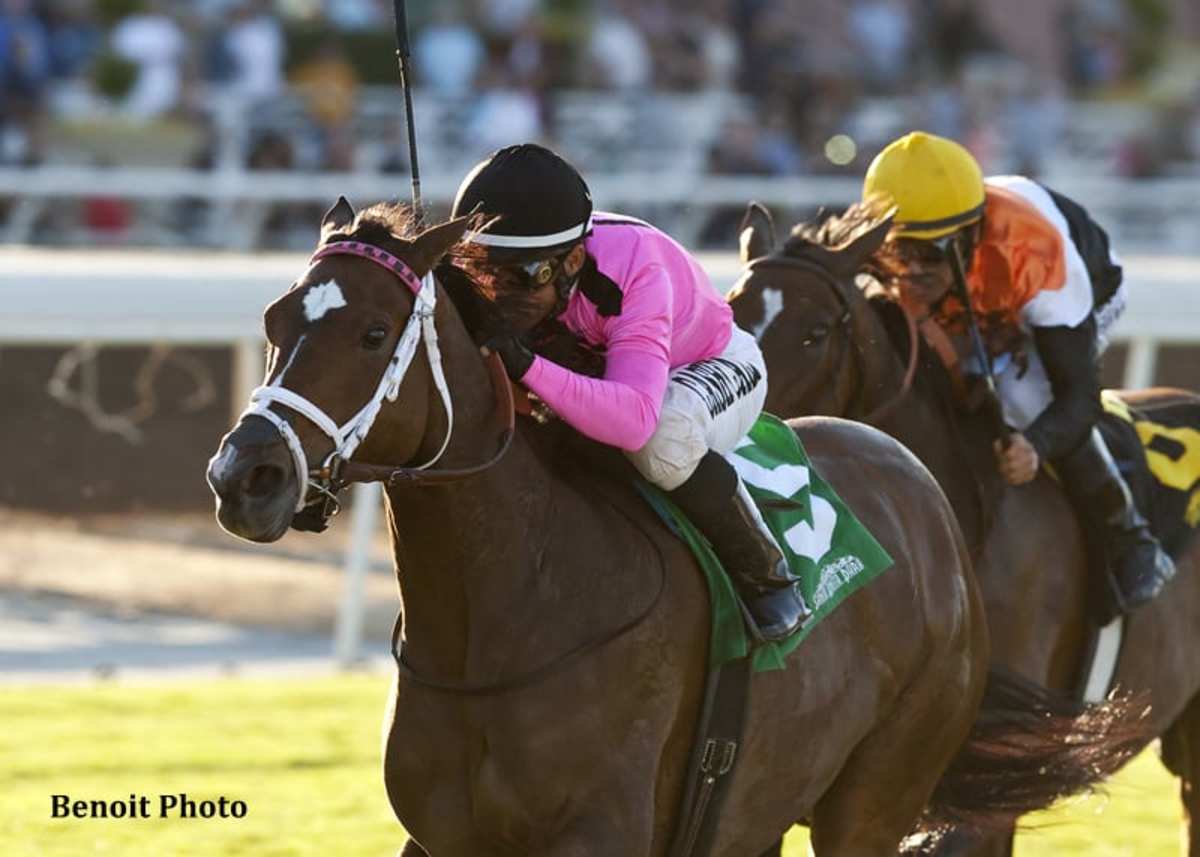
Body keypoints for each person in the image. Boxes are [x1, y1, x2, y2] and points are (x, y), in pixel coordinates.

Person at [448, 143, 808, 641]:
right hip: (603, 375)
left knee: (662, 439)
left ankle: (766, 575)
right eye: (483, 273)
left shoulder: (637, 268)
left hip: (708, 365)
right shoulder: (524, 274)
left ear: (574, 258)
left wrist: (525, 364)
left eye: (523, 277)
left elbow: (633, 420)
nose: (501, 294)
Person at [862, 130, 1175, 614]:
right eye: (898, 251)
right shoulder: (899, 253)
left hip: (1085, 288)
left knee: (1024, 398)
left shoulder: (1033, 252)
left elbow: (1079, 396)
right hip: (977, 297)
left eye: (928, 254)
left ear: (968, 235)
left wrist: (1037, 444)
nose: (911, 270)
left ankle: (1128, 536)